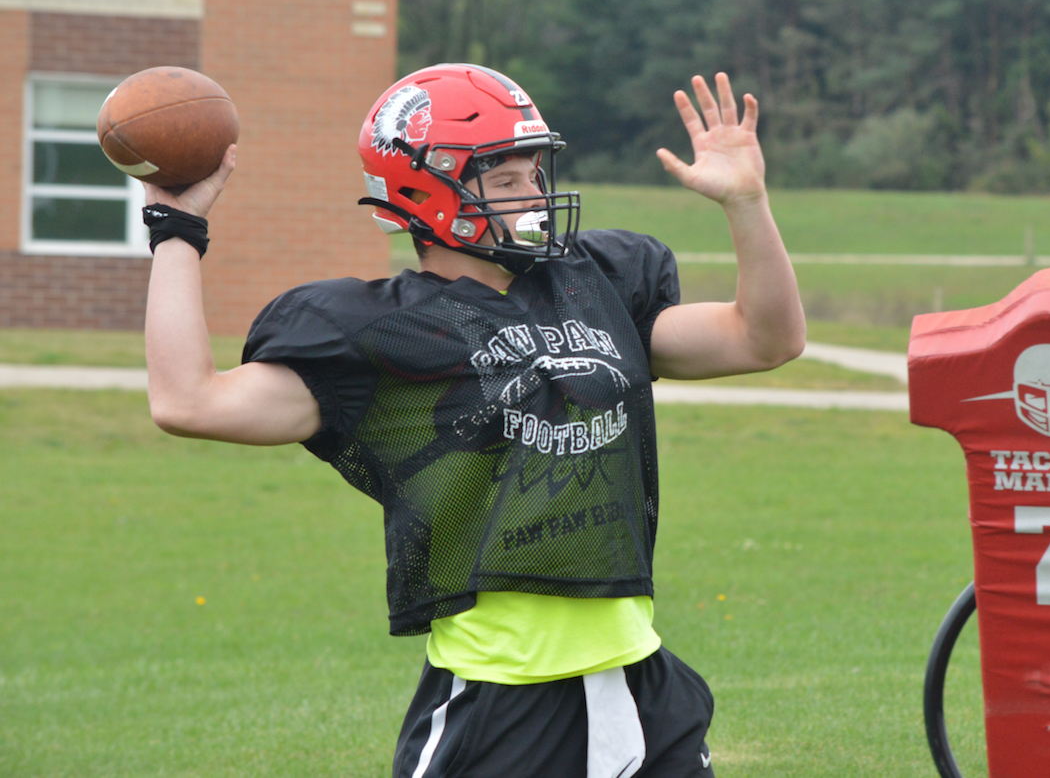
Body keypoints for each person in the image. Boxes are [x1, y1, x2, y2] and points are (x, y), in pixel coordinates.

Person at [143, 64, 805, 778]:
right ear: (429, 191)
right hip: (499, 703)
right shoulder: (385, 333)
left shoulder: (594, 283)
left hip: (641, 684)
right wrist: (178, 230)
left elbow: (764, 339)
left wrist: (747, 204)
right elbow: (188, 401)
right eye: (506, 177)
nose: (535, 194)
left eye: (534, 171)